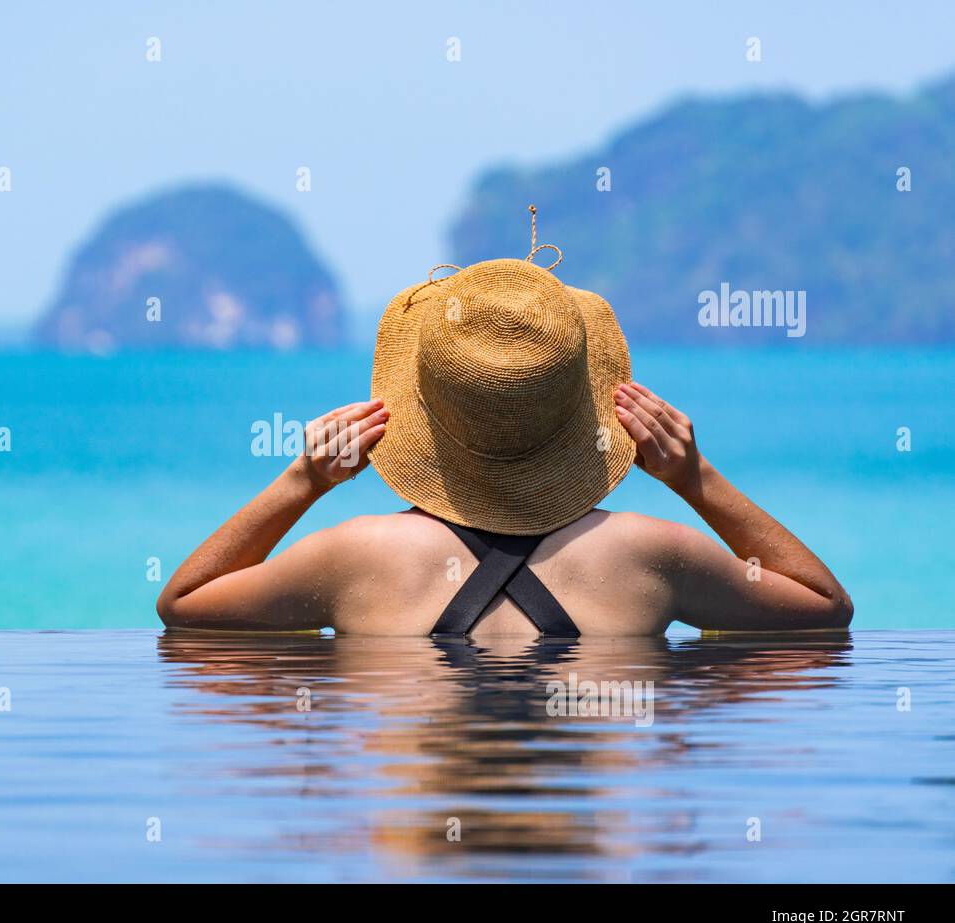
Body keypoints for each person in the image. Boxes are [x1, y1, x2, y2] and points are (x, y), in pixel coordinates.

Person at [156, 238, 852, 637]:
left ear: (418, 410)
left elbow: (182, 609)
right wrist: (695, 479)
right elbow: (826, 611)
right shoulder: (652, 555)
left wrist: (301, 481)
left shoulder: (354, 558)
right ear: (588, 408)